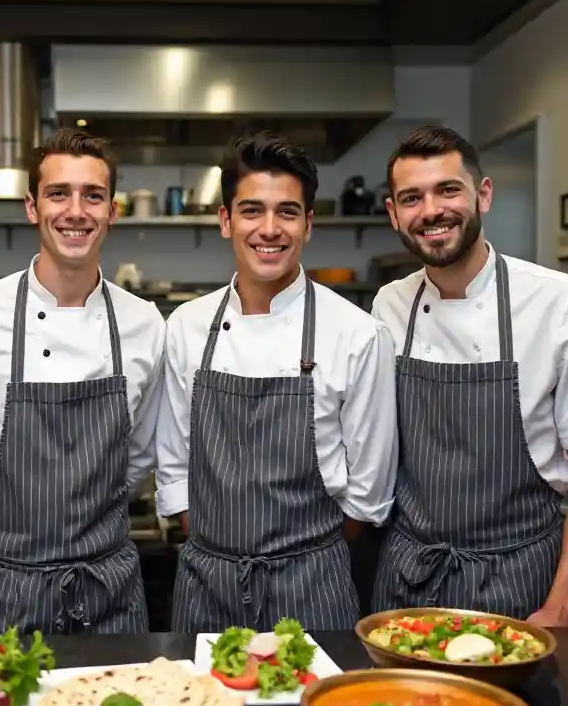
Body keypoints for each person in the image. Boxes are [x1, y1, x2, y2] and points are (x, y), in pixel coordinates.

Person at [371, 125, 568, 625]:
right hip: (408, 582)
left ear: (484, 194)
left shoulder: (563, 304)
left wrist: (562, 605)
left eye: (448, 189)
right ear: (394, 214)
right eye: (412, 197)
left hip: (521, 583)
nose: (431, 211)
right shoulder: (389, 304)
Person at [155, 132, 398, 632]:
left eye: (287, 212)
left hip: (313, 586)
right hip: (208, 584)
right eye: (251, 210)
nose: (270, 229)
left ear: (308, 224)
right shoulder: (185, 326)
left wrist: (303, 556)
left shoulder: (357, 333)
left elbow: (369, 489)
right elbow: (174, 461)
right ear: (225, 220)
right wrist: (215, 546)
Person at [0, 127, 166, 635]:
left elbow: (142, 451)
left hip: (108, 586)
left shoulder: (145, 322)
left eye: (93, 196)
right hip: (1, 589)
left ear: (113, 211)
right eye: (58, 193)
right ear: (31, 207)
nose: (76, 211)